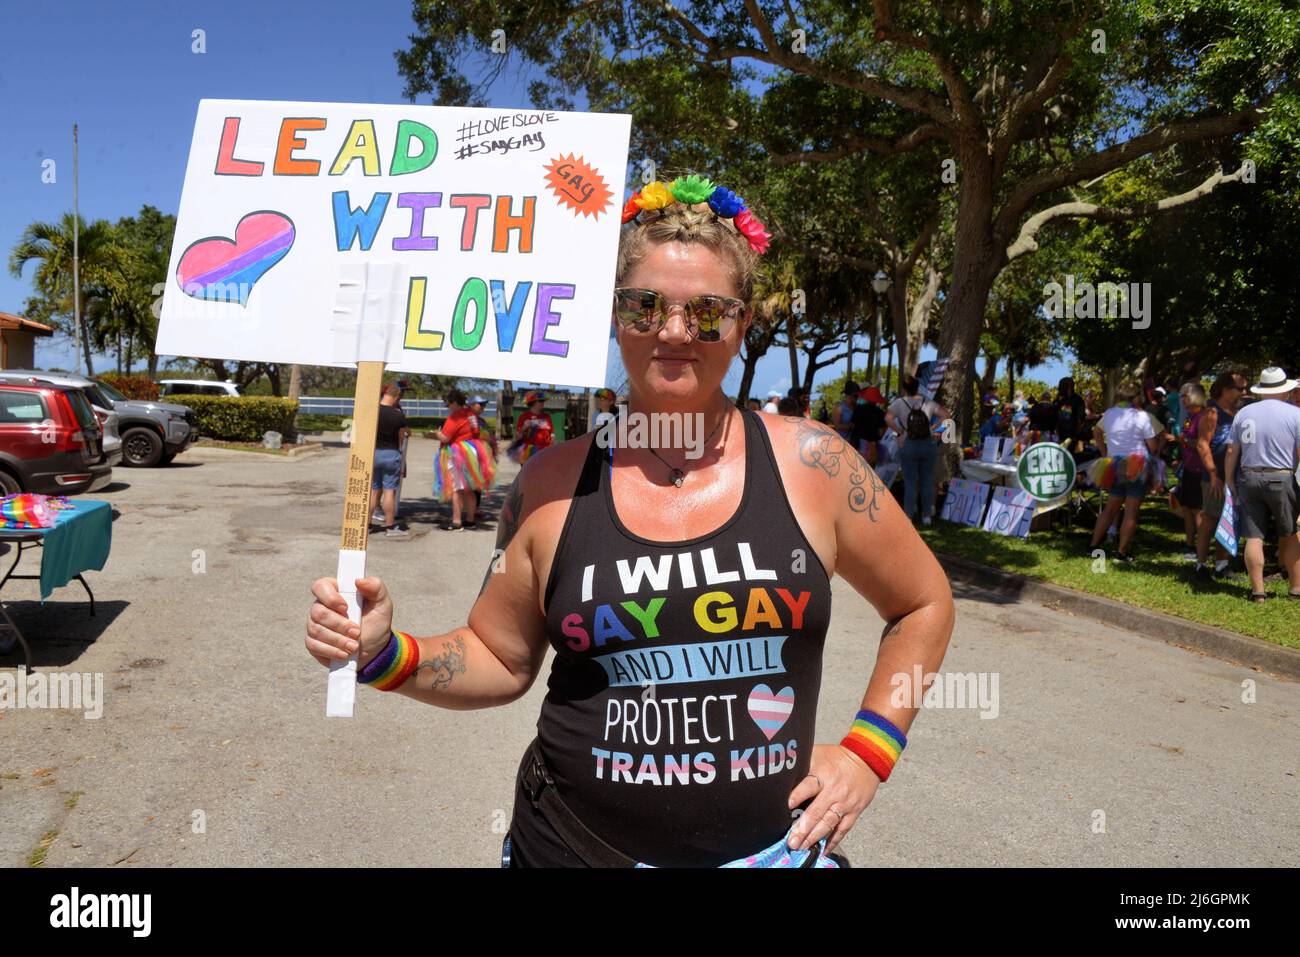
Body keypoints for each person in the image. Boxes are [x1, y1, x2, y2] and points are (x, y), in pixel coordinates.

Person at [305, 177, 954, 868]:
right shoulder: (551, 481)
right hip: (568, 847)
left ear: (742, 326)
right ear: (615, 317)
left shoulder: (815, 463)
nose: (674, 331)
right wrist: (384, 653)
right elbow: (499, 656)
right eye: (645, 305)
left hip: (772, 853)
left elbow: (923, 602)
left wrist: (868, 751)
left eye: (708, 312)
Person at [1223, 368, 1300, 602]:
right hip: (1282, 476)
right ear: (1284, 390)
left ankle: (1258, 591)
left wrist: (1229, 480)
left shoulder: (1244, 413)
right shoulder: (1295, 414)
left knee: (1253, 536)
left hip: (1249, 477)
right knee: (1290, 533)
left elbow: (1231, 451)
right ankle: (1296, 589)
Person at [1086, 381, 1158, 563]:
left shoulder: (1109, 414)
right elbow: (1153, 446)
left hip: (1114, 465)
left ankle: (1093, 546)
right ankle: (1121, 553)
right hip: (1137, 466)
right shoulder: (1142, 417)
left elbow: (1096, 431)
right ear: (1135, 397)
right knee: (1131, 512)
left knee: (1110, 509)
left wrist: (1104, 452)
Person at [1195, 371, 1248, 579]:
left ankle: (1221, 563)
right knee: (1210, 519)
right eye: (1240, 388)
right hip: (1214, 478)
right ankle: (1201, 564)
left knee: (1228, 520)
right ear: (1226, 390)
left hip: (1234, 478)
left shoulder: (1239, 413)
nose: (1244, 392)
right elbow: (1202, 444)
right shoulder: (1212, 413)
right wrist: (1213, 474)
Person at [885, 375, 947, 525]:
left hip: (908, 443)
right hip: (927, 444)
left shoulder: (899, 403)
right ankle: (927, 516)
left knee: (910, 481)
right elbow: (946, 415)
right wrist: (932, 429)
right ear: (918, 387)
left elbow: (888, 418)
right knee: (926, 480)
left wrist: (900, 431)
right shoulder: (928, 402)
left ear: (904, 389)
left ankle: (908, 516)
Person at [433, 389, 496, 531]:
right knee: (469, 489)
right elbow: (476, 432)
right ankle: (470, 521)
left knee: (456, 489)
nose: (448, 407)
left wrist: (436, 433)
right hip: (471, 452)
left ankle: (456, 522)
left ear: (454, 402)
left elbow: (446, 437)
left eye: (448, 404)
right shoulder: (472, 415)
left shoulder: (456, 416)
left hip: (457, 453)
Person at [371, 383, 411, 539]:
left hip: (374, 453)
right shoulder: (398, 415)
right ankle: (389, 526)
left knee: (373, 491)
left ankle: (367, 524)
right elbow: (402, 435)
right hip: (391, 453)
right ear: (394, 397)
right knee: (389, 491)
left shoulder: (373, 412)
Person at [1175, 382, 1208, 560]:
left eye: (1185, 396)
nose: (1183, 399)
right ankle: (1189, 544)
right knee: (1187, 508)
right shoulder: (1189, 416)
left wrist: (1186, 441)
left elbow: (1204, 443)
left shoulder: (1203, 416)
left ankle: (1200, 548)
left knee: (1198, 510)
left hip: (1199, 468)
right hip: (1188, 467)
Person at [508, 391, 555, 464]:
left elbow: (551, 433)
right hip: (529, 452)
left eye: (543, 400)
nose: (543, 402)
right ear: (533, 403)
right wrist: (524, 427)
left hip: (545, 451)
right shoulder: (524, 416)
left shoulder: (547, 417)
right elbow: (518, 437)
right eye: (540, 401)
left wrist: (552, 439)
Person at [849, 386, 887, 465]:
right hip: (871, 445)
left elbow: (852, 425)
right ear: (876, 400)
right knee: (868, 469)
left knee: (854, 465)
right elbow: (881, 432)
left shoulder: (858, 409)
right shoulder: (880, 412)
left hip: (856, 442)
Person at [1053, 377, 1087, 451]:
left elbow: (1081, 420)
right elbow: (1054, 418)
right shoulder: (1058, 401)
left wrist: (1075, 438)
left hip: (1073, 439)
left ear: (1068, 387)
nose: (1059, 388)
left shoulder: (1078, 400)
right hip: (1059, 438)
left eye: (1061, 386)